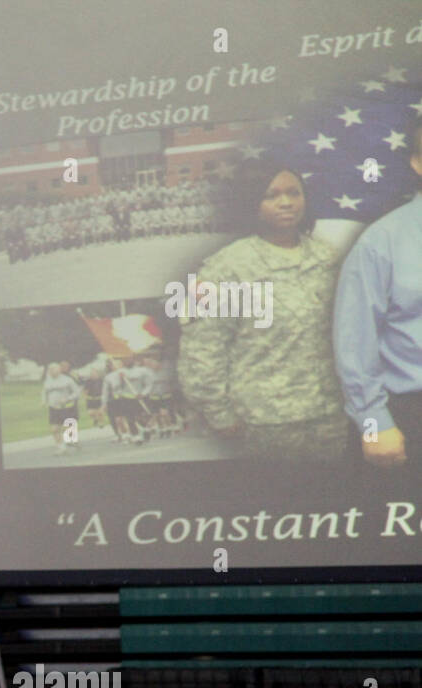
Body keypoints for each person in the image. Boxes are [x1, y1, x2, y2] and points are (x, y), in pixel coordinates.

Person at [177, 160, 347, 459]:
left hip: (332, 417)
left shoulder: (329, 258)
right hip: (263, 424)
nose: (286, 203)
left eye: (294, 193)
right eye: (272, 195)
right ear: (251, 201)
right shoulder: (222, 268)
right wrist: (219, 414)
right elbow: (201, 350)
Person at [333, 117, 422, 471]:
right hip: (409, 417)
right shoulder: (381, 241)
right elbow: (353, 342)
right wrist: (373, 427)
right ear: (418, 164)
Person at [41, 362, 83, 454]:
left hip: (67, 407)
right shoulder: (48, 381)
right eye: (50, 369)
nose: (51, 371)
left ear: (59, 370)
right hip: (53, 407)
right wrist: (44, 401)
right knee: (54, 429)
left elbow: (77, 392)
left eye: (54, 369)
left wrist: (68, 399)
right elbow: (44, 392)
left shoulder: (67, 380)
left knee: (67, 427)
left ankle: (72, 440)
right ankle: (61, 447)